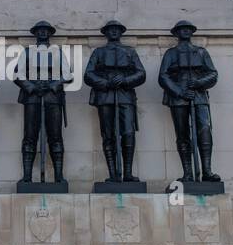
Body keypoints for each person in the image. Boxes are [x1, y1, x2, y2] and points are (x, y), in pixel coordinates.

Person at [157, 19, 221, 183]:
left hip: (199, 96)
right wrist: (180, 92)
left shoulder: (201, 52)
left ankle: (207, 171)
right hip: (178, 98)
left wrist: (200, 83)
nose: (184, 32)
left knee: (204, 130)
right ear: (176, 33)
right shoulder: (171, 54)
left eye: (187, 29)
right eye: (181, 29)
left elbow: (213, 74)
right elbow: (163, 76)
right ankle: (188, 173)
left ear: (192, 32)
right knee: (182, 134)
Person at [83, 19, 145, 183]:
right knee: (108, 135)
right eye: (110, 29)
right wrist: (105, 82)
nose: (114, 32)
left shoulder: (130, 52)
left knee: (128, 133)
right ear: (105, 33)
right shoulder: (98, 52)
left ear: (121, 32)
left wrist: (125, 80)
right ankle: (113, 174)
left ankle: (128, 173)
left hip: (125, 96)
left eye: (117, 29)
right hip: (105, 96)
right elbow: (88, 74)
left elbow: (141, 73)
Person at [16, 19, 68, 184]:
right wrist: (32, 87)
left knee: (55, 136)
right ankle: (27, 176)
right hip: (32, 97)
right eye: (40, 30)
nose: (43, 32)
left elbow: (67, 74)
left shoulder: (58, 52)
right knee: (30, 136)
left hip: (53, 97)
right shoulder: (27, 52)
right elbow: (18, 74)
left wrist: (53, 85)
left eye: (46, 30)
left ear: (50, 33)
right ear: (35, 33)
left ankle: (58, 176)